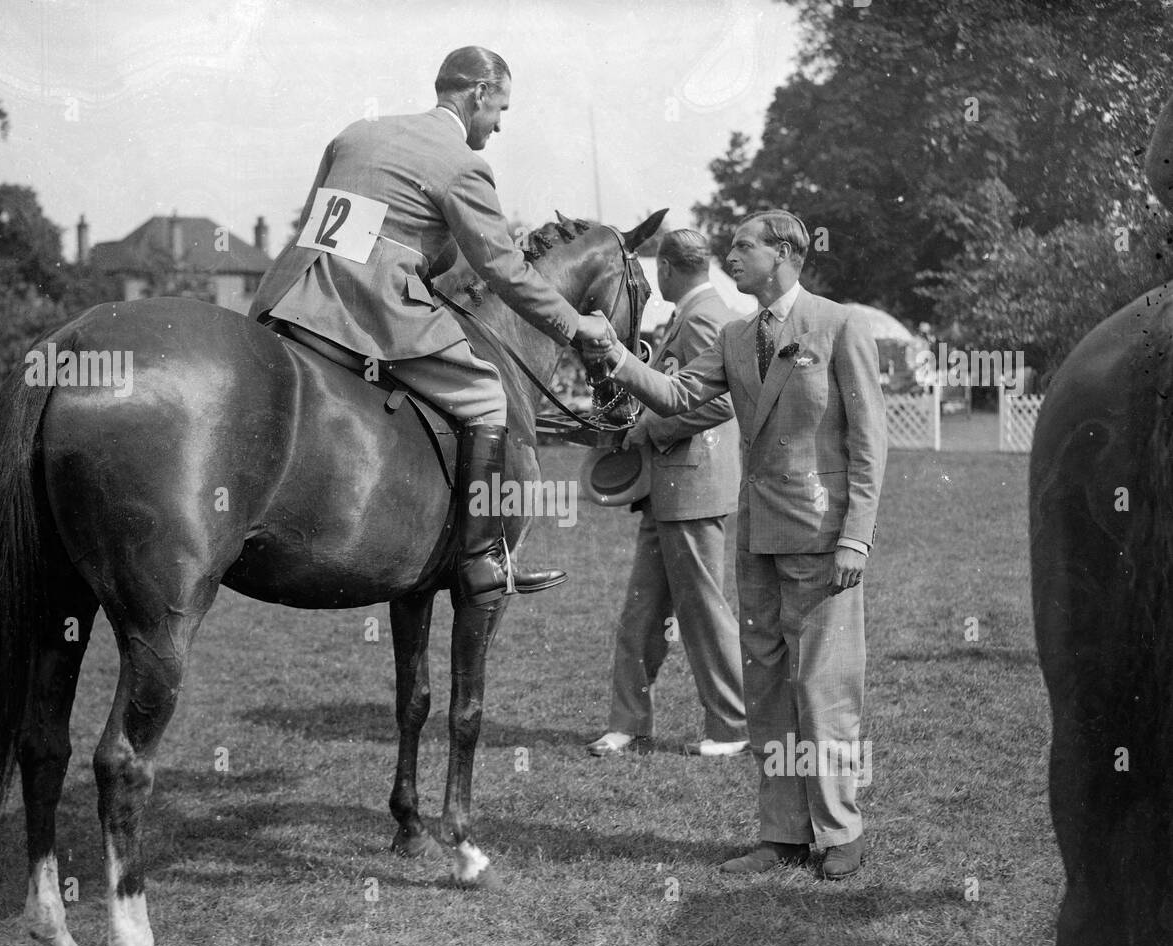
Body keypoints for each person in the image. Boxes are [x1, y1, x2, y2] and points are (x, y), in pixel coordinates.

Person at [250, 46, 615, 607]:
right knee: (489, 396)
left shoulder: (356, 135)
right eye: (501, 110)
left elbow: (320, 225)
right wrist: (573, 325)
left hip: (293, 297)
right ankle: (480, 560)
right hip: (367, 309)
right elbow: (504, 268)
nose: (498, 126)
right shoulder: (463, 164)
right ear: (479, 95)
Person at [582, 210, 887, 879]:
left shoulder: (840, 324)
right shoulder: (733, 333)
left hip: (825, 541)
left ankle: (839, 832)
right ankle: (781, 834)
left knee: (823, 686)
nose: (731, 255)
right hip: (757, 541)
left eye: (744, 246)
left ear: (786, 253)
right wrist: (614, 356)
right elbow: (679, 394)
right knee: (769, 689)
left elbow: (870, 444)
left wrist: (856, 540)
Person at [586, 229, 749, 759]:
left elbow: (722, 404)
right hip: (674, 487)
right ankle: (627, 723)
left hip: (694, 484)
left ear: (669, 269)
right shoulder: (699, 312)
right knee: (641, 612)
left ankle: (731, 725)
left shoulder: (706, 317)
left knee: (701, 611)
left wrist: (651, 430)